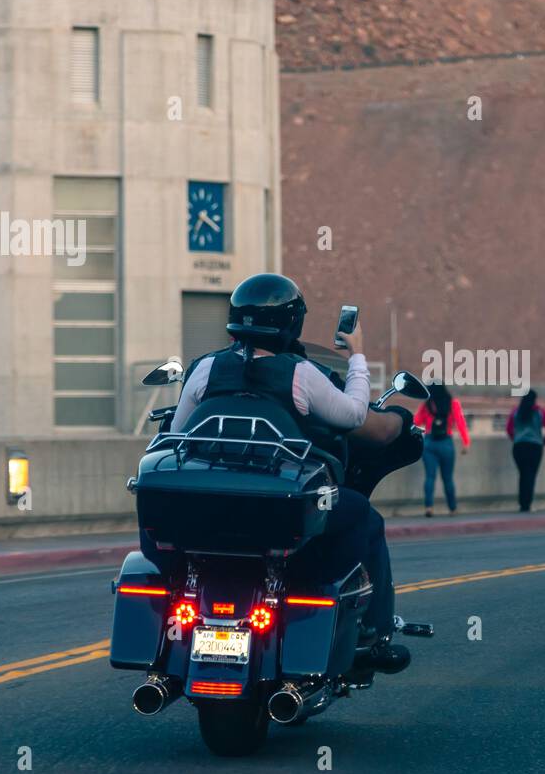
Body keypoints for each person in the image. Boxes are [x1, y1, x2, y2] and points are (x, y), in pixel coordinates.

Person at [171, 273, 410, 672]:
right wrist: (356, 356)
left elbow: (178, 434)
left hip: (208, 506)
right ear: (292, 323)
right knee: (365, 519)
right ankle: (374, 633)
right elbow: (353, 414)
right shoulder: (298, 372)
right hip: (273, 509)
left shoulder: (206, 369)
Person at [413, 383, 470, 516]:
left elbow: (416, 421)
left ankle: (429, 508)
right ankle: (452, 508)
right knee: (448, 478)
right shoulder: (453, 403)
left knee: (430, 477)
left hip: (429, 443)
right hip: (446, 443)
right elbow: (460, 422)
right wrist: (466, 442)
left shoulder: (427, 405)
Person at [506, 389, 545, 512]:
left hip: (519, 446)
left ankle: (522, 503)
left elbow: (509, 428)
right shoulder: (540, 412)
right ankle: (527, 503)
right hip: (535, 446)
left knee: (522, 474)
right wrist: (544, 442)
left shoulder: (516, 411)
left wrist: (515, 439)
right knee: (531, 475)